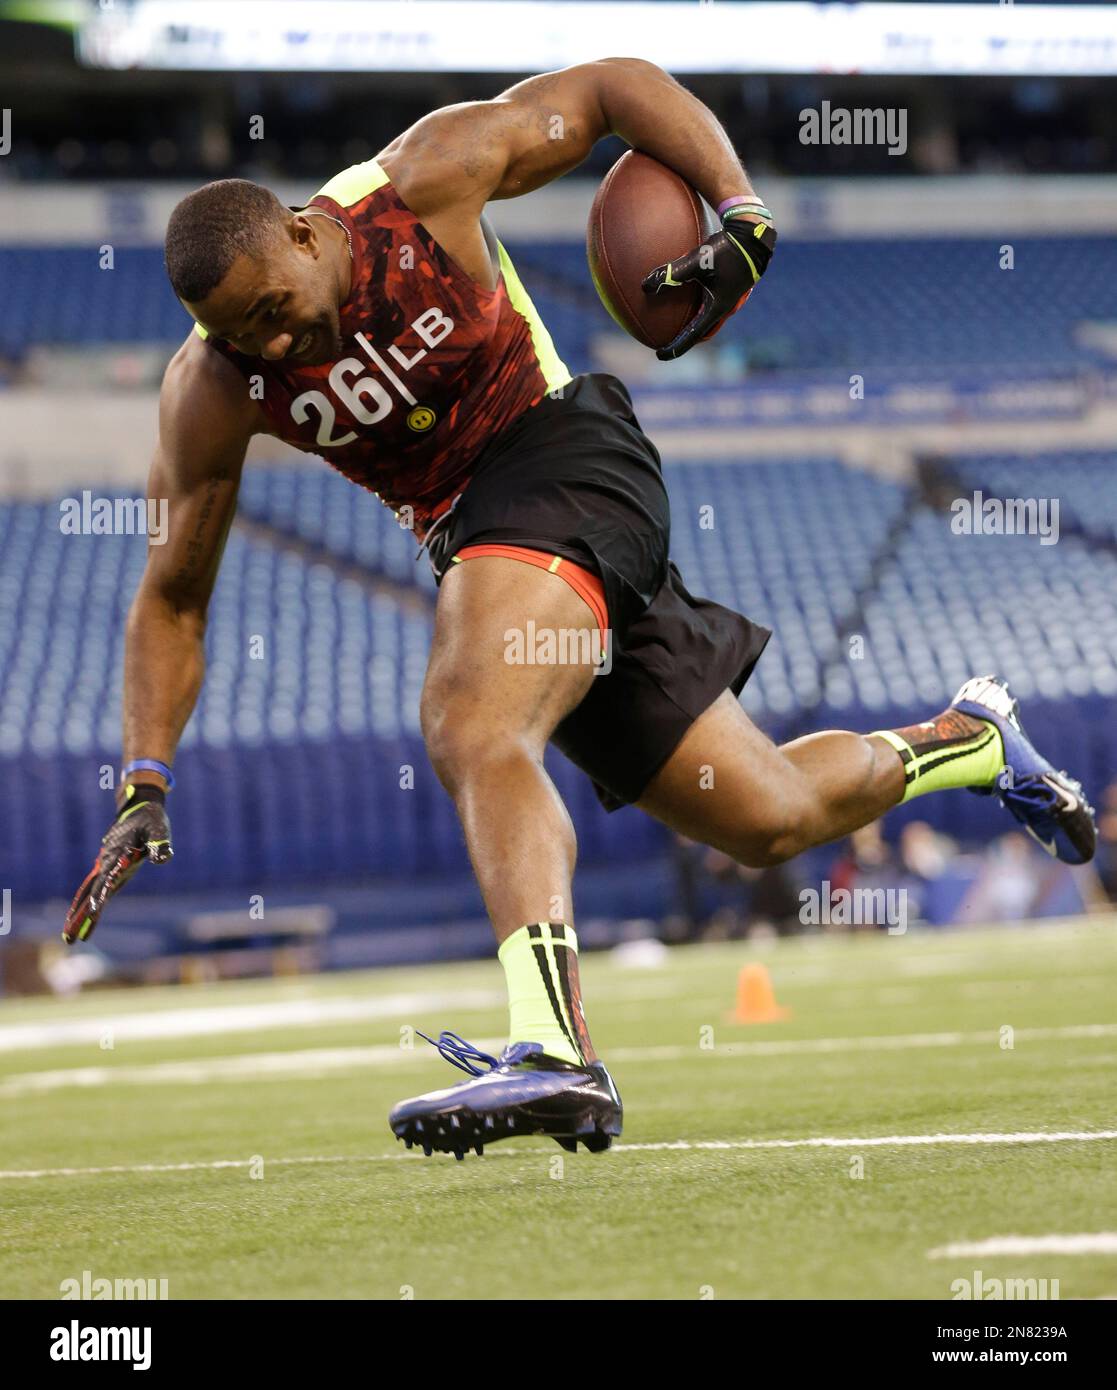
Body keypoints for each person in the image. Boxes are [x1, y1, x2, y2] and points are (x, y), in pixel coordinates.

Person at [62, 59, 1097, 1159]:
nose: (272, 346)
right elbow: (172, 594)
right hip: (495, 545)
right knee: (767, 816)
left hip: (565, 452)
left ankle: (554, 1046)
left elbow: (609, 88)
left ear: (308, 237)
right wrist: (144, 778)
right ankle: (973, 743)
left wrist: (738, 207)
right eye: (241, 336)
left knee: (472, 721)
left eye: (274, 310)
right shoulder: (213, 391)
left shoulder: (424, 181)